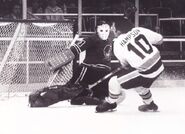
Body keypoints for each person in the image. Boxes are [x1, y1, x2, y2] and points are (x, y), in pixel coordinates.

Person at [29, 20, 113, 107]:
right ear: (96, 31)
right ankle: (40, 98)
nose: (104, 33)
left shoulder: (111, 37)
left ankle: (79, 98)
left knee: (101, 96)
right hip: (88, 71)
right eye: (101, 30)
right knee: (70, 89)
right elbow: (75, 49)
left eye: (106, 30)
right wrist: (59, 61)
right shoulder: (91, 39)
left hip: (103, 73)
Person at [96, 19, 164, 112]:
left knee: (113, 81)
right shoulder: (138, 30)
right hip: (159, 65)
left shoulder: (117, 43)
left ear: (118, 31)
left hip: (146, 71)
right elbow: (160, 39)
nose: (112, 30)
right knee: (139, 84)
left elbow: (126, 66)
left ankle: (110, 103)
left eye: (113, 28)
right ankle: (150, 104)